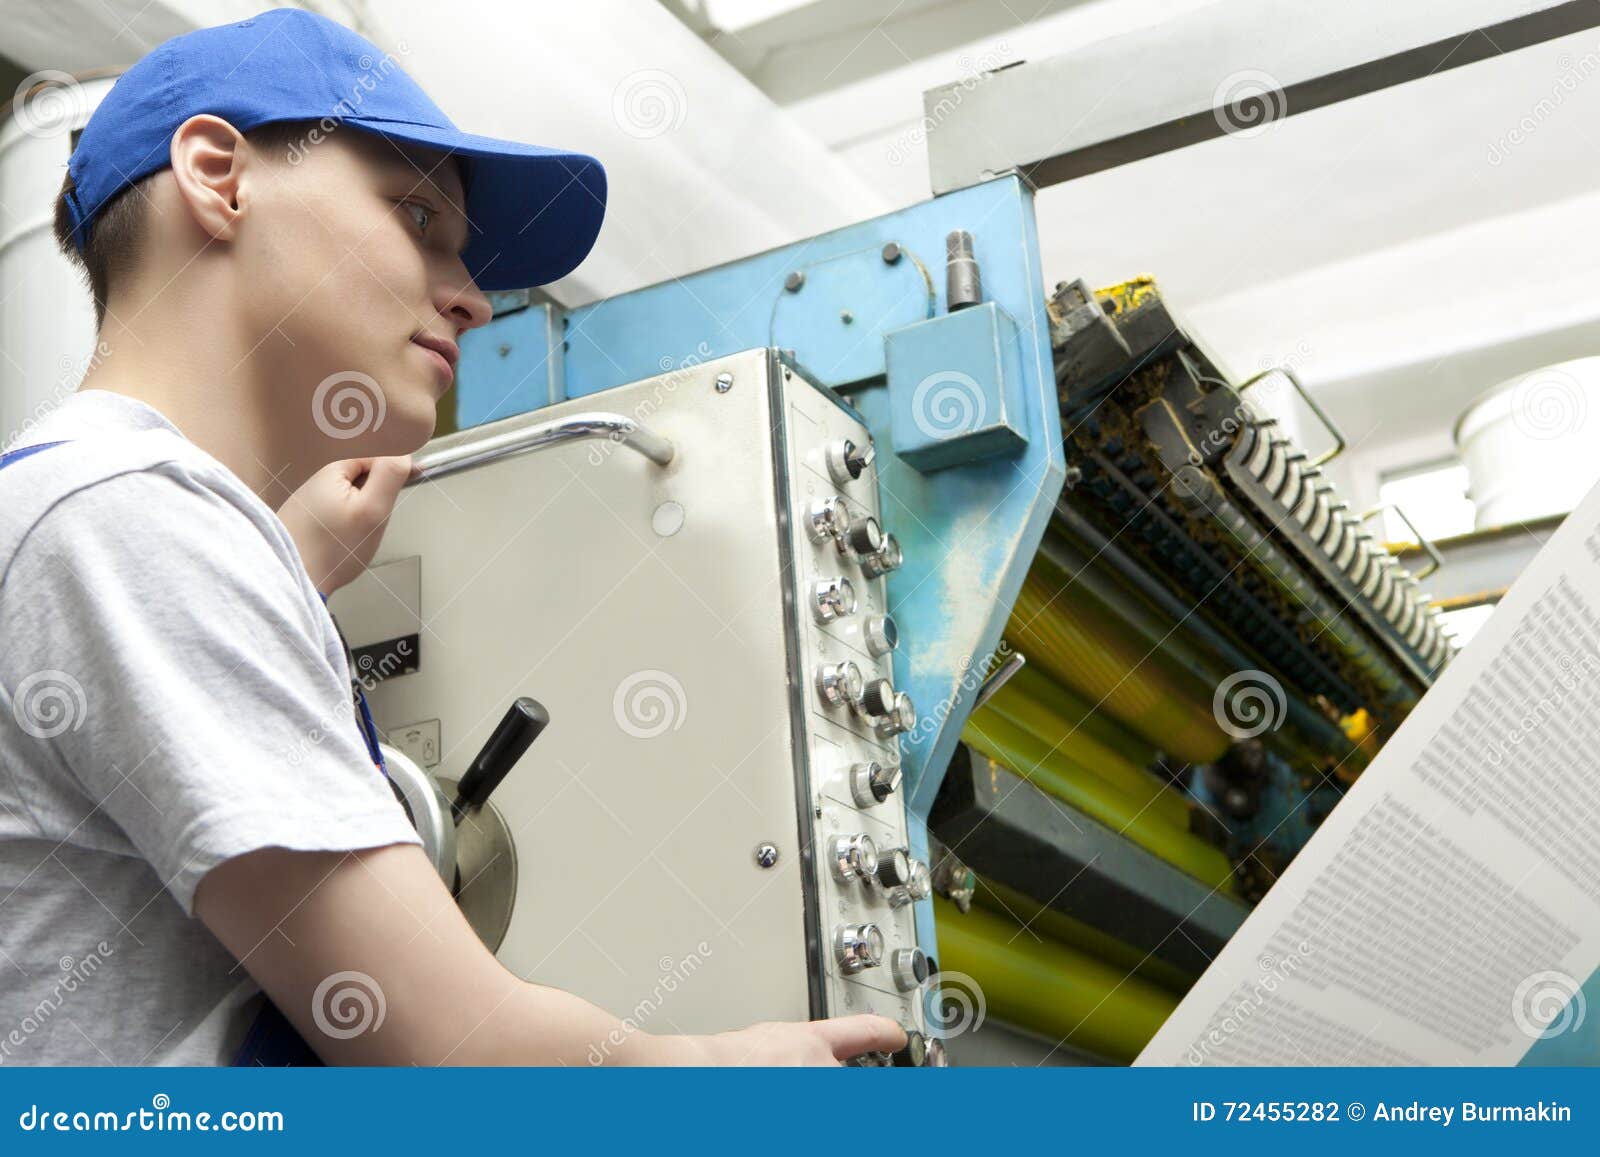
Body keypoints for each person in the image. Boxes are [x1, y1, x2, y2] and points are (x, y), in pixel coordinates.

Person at [0, 8, 905, 1067]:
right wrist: (733, 1072)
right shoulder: (127, 515)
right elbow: (452, 1048)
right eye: (418, 218)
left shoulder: (99, 511)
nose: (474, 301)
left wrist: (284, 571)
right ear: (219, 175)